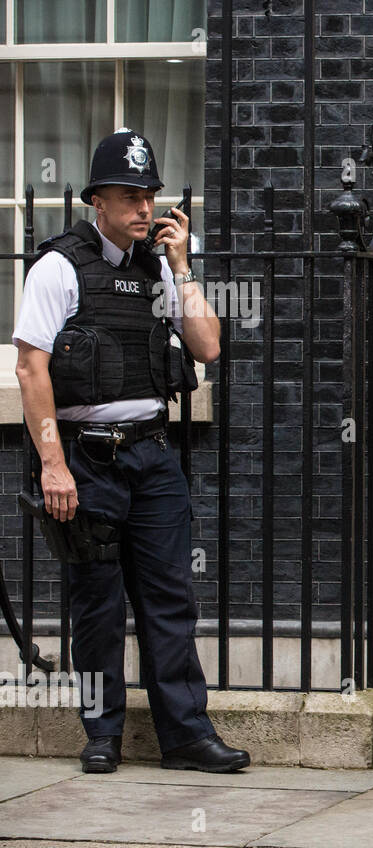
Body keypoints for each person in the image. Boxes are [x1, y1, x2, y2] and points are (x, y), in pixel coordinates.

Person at [13, 128, 249, 774]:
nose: (144, 209)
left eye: (149, 196)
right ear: (97, 202)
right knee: (95, 600)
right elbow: (31, 369)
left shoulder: (160, 268)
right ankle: (101, 735)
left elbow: (207, 347)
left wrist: (181, 267)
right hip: (85, 459)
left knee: (170, 597)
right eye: (129, 197)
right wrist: (54, 463)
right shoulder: (59, 267)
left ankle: (185, 737)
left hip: (151, 454)